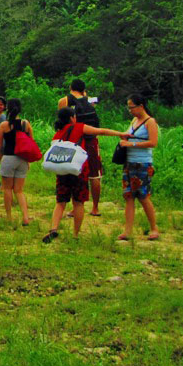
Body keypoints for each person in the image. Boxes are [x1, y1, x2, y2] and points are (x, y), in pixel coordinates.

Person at [42, 106, 131, 243]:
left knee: (60, 202)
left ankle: (53, 229)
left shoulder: (58, 134)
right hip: (79, 171)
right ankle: (75, 235)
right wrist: (120, 133)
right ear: (72, 118)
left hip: (62, 171)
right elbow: (101, 131)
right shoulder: (79, 127)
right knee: (78, 203)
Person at [58, 79, 104, 216]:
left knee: (74, 173)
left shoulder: (64, 101)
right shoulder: (89, 101)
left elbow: (62, 120)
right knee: (94, 175)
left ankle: (76, 206)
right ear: (83, 89)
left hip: (74, 140)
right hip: (91, 140)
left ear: (71, 87)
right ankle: (95, 208)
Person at [117, 93, 159, 241]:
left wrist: (132, 144)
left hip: (142, 163)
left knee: (143, 196)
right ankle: (127, 231)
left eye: (132, 107)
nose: (130, 111)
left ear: (141, 106)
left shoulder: (150, 122)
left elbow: (153, 142)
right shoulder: (134, 120)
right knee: (128, 196)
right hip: (129, 163)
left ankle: (154, 228)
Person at [0, 98, 32, 225]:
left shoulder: (4, 125)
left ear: (8, 108)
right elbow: (31, 142)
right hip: (22, 159)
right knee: (19, 190)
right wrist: (28, 160)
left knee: (7, 189)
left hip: (9, 158)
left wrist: (0, 157)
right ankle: (25, 217)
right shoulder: (25, 124)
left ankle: (9, 216)